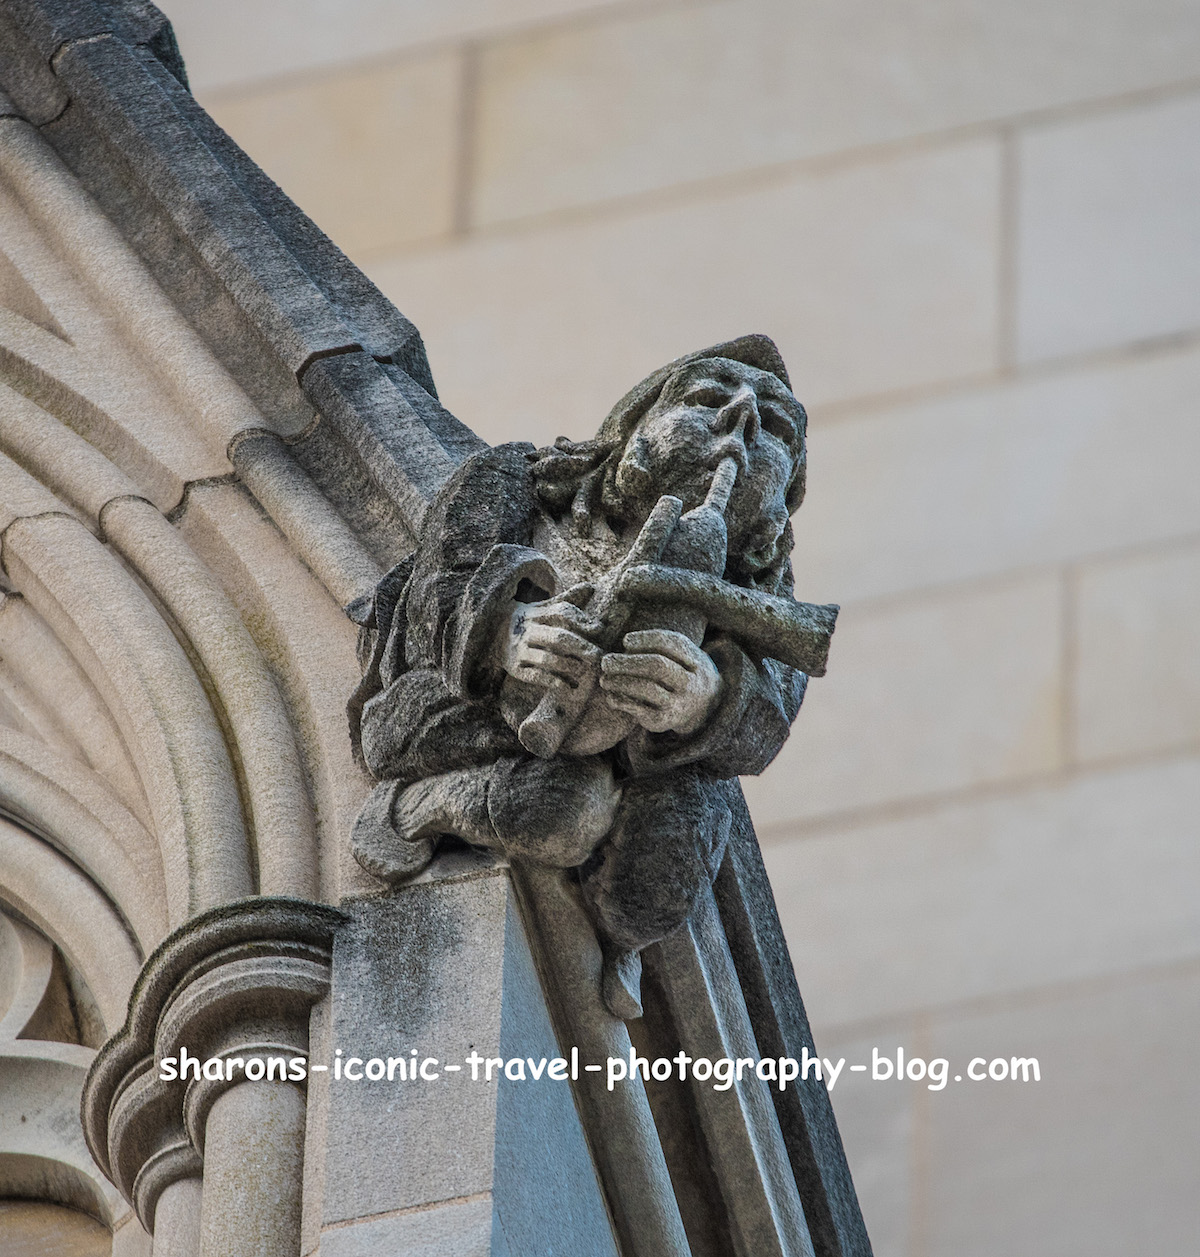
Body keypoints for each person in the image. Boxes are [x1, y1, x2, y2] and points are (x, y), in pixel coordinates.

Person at [348, 334, 828, 1015]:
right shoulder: (516, 479)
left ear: (777, 514)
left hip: (617, 765)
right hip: (460, 710)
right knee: (564, 810)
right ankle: (414, 807)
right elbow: (437, 592)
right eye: (706, 396)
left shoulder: (764, 606)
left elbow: (765, 719)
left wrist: (703, 698)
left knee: (658, 859)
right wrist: (511, 632)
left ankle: (622, 936)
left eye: (775, 429)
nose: (741, 419)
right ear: (632, 426)